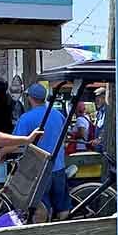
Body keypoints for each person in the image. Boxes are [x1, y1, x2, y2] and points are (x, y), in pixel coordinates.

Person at [13, 83, 71, 221]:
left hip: (39, 170)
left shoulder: (26, 118)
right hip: (58, 167)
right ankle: (63, 231)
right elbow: (65, 137)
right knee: (62, 208)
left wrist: (1, 151)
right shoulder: (58, 115)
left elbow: (16, 143)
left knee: (42, 210)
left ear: (30, 98)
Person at [90, 87, 107, 152]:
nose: (96, 101)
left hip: (105, 149)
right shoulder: (99, 112)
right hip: (99, 148)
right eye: (95, 99)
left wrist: (99, 139)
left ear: (104, 98)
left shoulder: (108, 112)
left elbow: (107, 128)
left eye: (98, 98)